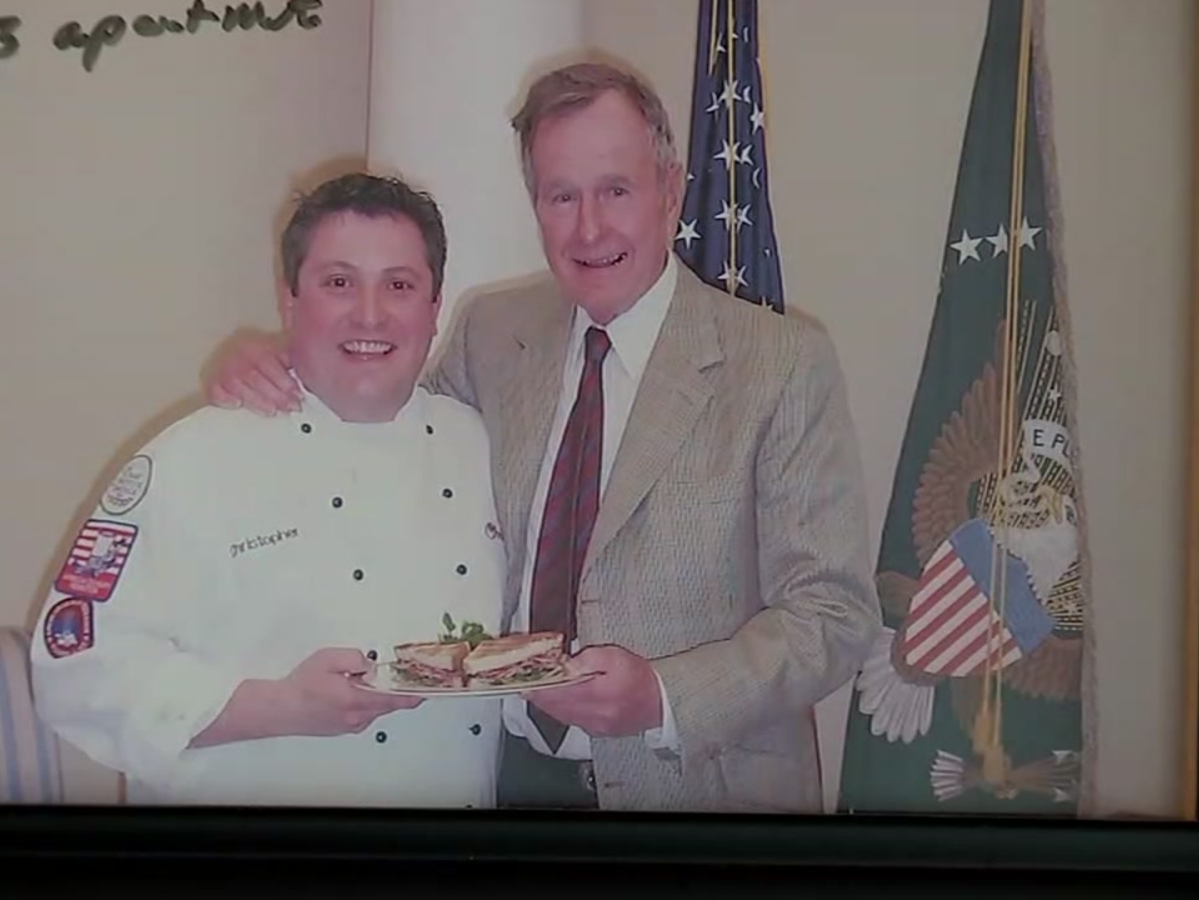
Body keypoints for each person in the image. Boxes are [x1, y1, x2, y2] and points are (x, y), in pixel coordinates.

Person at [204, 63, 880, 813]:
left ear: (670, 189)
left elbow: (834, 613)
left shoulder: (781, 364)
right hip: (509, 780)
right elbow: (384, 433)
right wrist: (284, 361)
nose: (589, 228)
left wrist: (664, 697)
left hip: (697, 791)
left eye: (615, 191)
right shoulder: (492, 333)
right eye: (562, 196)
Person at [30, 173, 507, 809]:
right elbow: (73, 662)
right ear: (289, 300)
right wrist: (279, 706)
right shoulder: (193, 458)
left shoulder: (481, 445)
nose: (370, 314)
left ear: (434, 306)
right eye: (338, 283)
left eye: (399, 285)